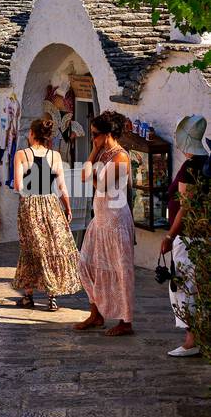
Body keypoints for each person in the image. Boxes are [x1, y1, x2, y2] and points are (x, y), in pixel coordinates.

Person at [74, 110, 135, 336]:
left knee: (120, 271)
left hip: (116, 220)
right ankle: (96, 313)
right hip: (99, 219)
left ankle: (126, 321)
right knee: (87, 265)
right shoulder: (102, 154)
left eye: (96, 134)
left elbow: (101, 185)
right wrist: (95, 150)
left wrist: (93, 172)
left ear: (108, 133)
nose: (93, 138)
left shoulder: (121, 157)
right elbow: (84, 176)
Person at [12, 115, 81, 312]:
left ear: (32, 134)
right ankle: (52, 297)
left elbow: (18, 185)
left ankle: (28, 295)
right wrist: (67, 207)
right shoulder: (55, 156)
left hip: (30, 204)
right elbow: (62, 187)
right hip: (51, 203)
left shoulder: (22, 155)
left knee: (30, 249)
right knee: (51, 248)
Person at [160, 117, 208, 357]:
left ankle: (191, 340)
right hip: (202, 236)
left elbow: (185, 207)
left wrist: (169, 236)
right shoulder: (206, 163)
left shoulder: (191, 169)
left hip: (188, 237)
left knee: (183, 286)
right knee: (198, 285)